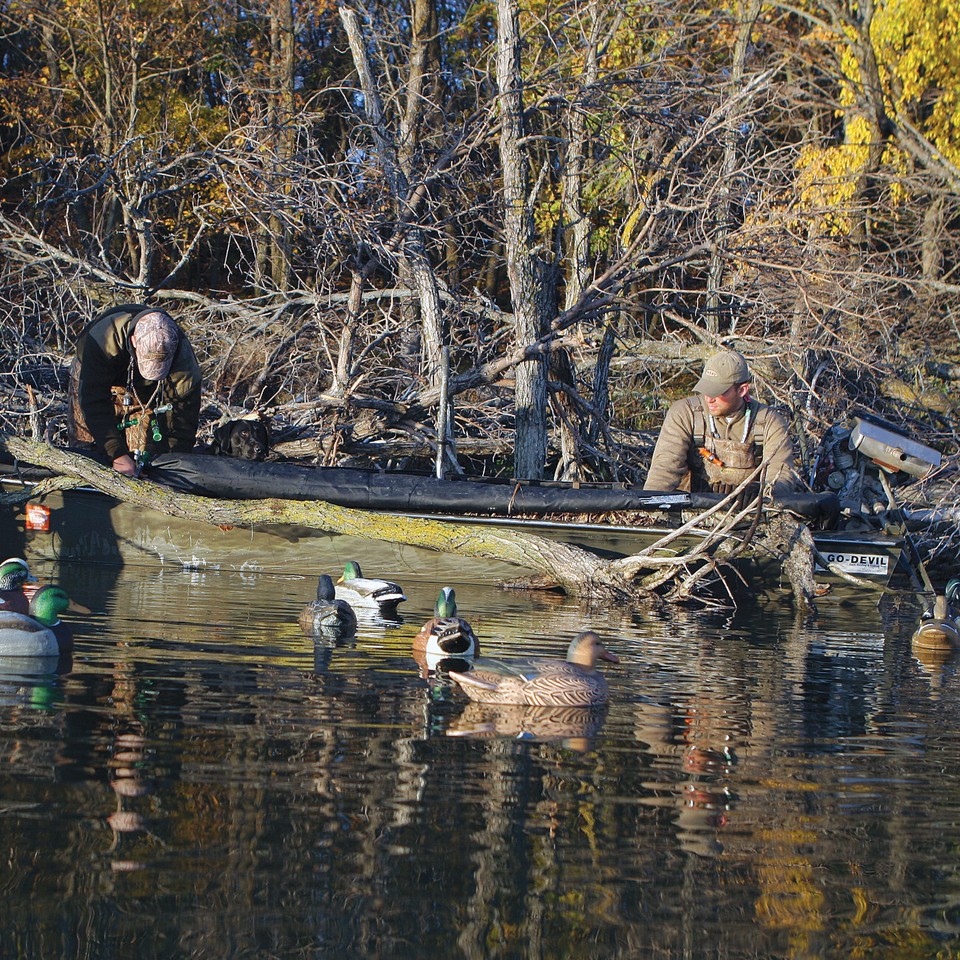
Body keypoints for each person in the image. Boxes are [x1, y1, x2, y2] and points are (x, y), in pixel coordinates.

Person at [643, 349, 800, 496]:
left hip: (749, 513)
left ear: (742, 390)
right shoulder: (685, 413)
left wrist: (761, 491)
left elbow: (782, 474)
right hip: (690, 513)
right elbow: (664, 470)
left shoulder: (769, 421)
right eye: (706, 389)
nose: (709, 398)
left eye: (718, 392)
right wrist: (647, 507)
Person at [67, 304, 202, 476]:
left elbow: (182, 425)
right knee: (87, 456)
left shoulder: (185, 366)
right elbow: (93, 401)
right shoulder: (103, 338)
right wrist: (116, 453)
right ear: (133, 341)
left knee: (145, 462)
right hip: (91, 378)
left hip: (145, 395)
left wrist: (173, 468)